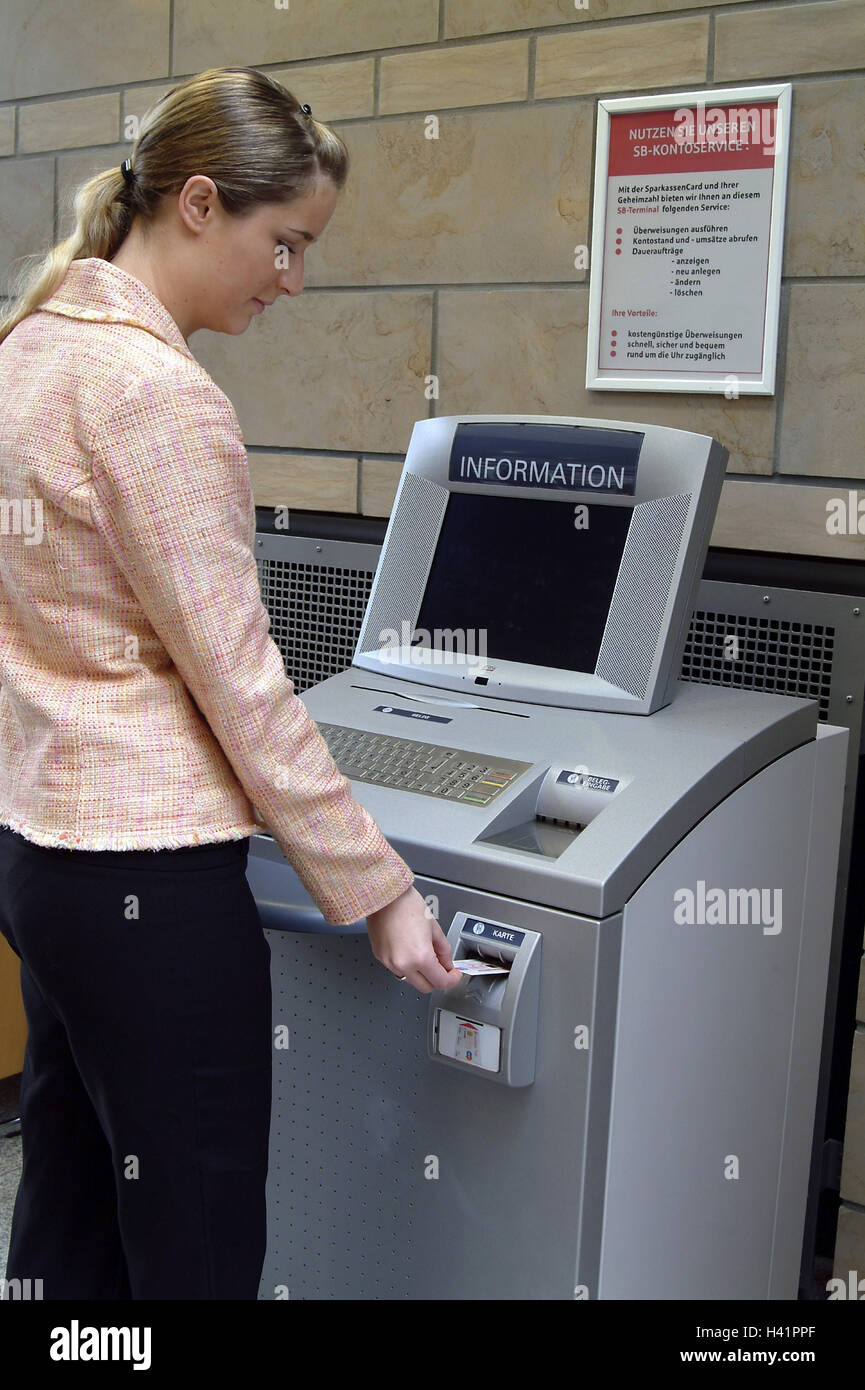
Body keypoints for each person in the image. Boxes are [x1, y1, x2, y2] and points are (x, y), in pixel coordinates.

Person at [0, 65, 462, 1301]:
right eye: (285, 243)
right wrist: (381, 891)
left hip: (46, 860)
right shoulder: (158, 397)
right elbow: (243, 687)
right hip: (150, 876)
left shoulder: (29, 347)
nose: (291, 280)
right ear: (198, 203)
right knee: (195, 1235)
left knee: (71, 1211)